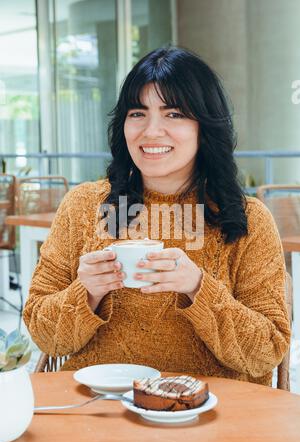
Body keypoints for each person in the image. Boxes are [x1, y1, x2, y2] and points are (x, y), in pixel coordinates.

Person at [23, 46, 290, 385]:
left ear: (204, 126)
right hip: (98, 408)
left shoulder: (248, 219)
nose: (151, 131)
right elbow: (45, 337)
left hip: (207, 414)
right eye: (137, 113)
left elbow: (266, 351)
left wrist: (197, 287)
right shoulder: (83, 205)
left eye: (173, 114)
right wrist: (86, 292)